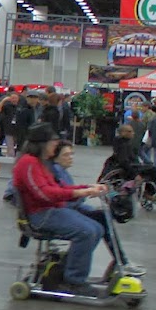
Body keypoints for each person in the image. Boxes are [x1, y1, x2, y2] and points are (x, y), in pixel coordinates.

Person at [12, 124, 110, 294]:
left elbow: (59, 187)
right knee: (87, 232)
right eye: (53, 143)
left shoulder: (39, 163)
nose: (55, 147)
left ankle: (67, 270)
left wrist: (87, 188)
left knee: (97, 229)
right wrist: (80, 192)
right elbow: (44, 193)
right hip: (41, 215)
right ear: (43, 144)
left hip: (51, 211)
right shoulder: (29, 163)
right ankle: (74, 280)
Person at [51, 140, 145, 276]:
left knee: (101, 218)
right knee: (98, 223)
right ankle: (120, 261)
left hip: (71, 208)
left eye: (71, 154)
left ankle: (120, 260)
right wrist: (84, 193)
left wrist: (86, 190)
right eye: (66, 155)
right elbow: (66, 195)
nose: (70, 158)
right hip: (68, 210)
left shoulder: (60, 171)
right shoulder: (57, 171)